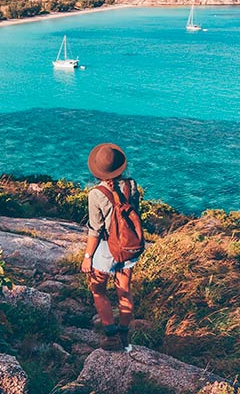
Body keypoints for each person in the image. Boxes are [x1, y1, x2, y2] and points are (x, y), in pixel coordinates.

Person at [82, 142, 143, 351]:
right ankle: (124, 337)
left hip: (107, 249)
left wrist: (88, 256)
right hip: (129, 247)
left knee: (98, 290)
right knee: (124, 291)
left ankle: (111, 337)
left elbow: (95, 229)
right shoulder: (132, 185)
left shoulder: (96, 194)